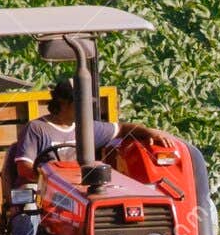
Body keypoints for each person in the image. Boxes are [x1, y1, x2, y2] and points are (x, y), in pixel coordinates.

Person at [12, 77, 177, 184]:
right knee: (28, 214)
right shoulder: (36, 129)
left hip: (79, 189)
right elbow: (23, 167)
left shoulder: (88, 128)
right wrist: (50, 179)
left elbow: (121, 128)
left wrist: (149, 133)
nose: (85, 108)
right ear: (62, 102)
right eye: (79, 103)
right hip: (45, 193)